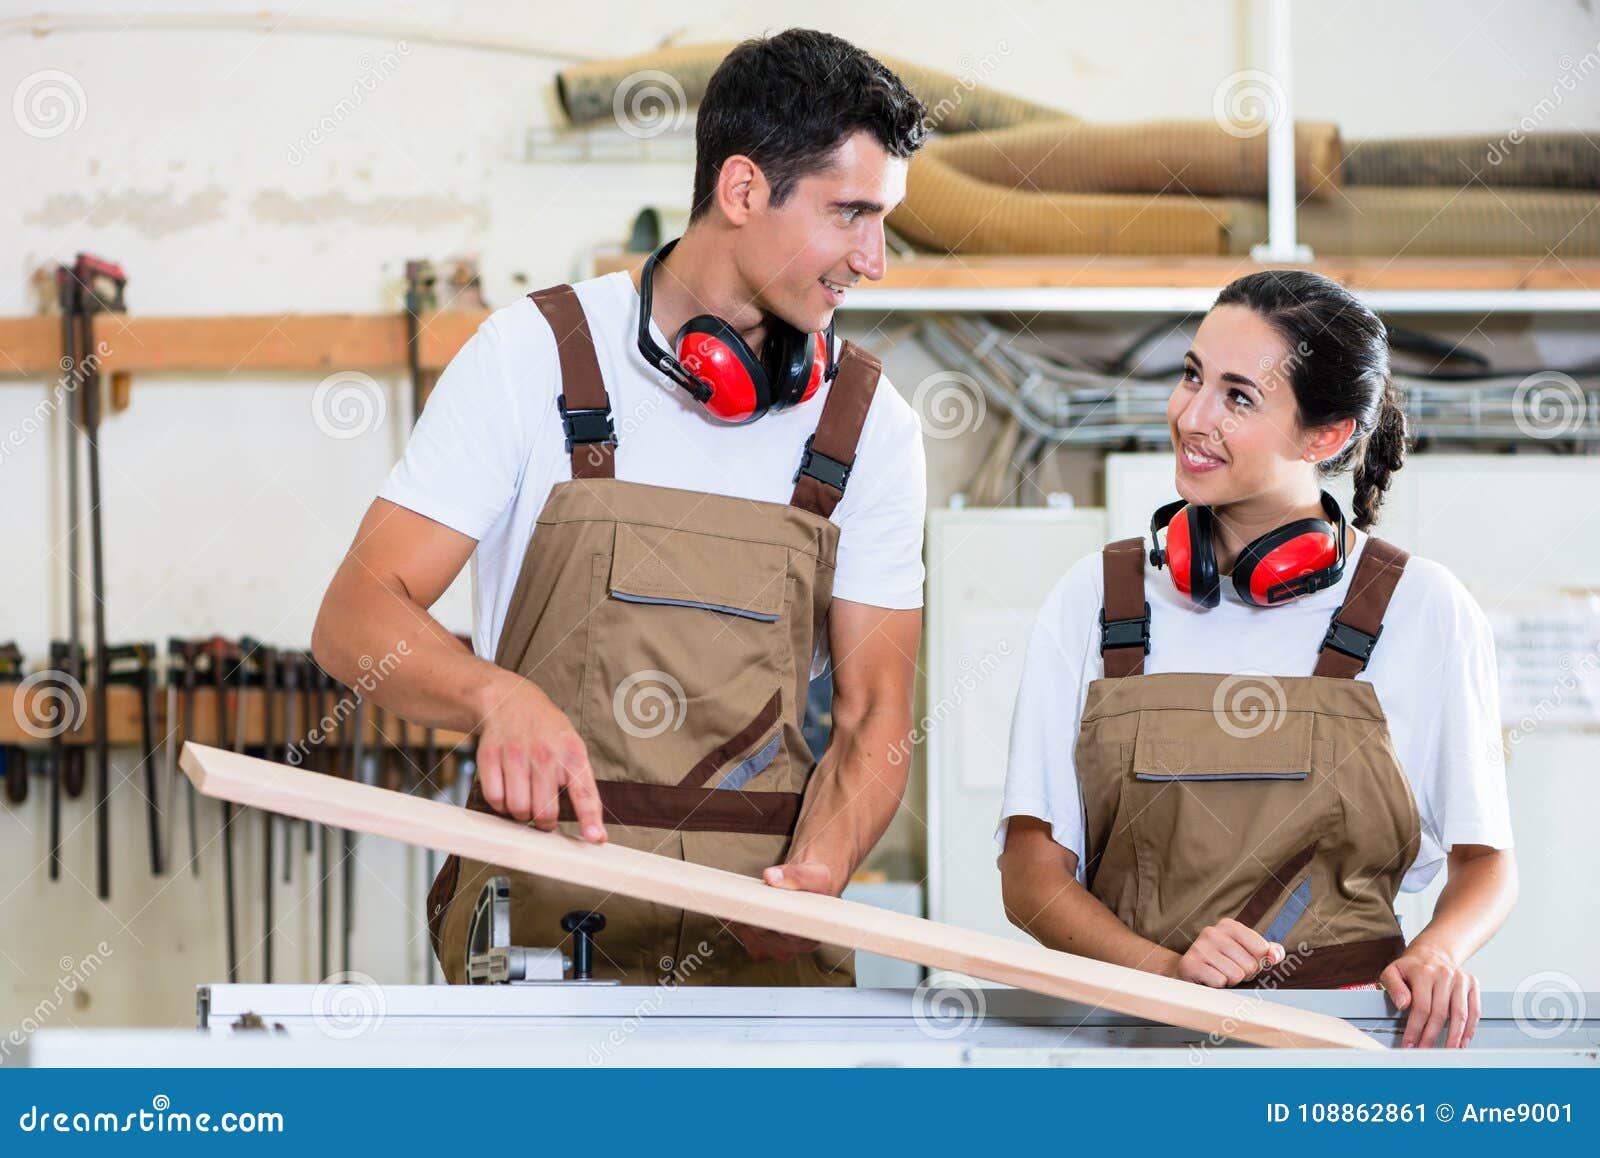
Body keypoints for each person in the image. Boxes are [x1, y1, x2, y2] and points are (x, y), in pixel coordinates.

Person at [312, 29, 929, 985]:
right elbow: (355, 617)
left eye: (883, 220)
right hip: (541, 935)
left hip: (755, 953)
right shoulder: (534, 356)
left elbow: (874, 714)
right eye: (851, 214)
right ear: (742, 190)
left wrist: (822, 864)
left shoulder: (869, 424)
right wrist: (495, 697)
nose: (874, 260)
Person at [997, 270, 1517, 1048]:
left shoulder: (1423, 608)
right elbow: (1030, 875)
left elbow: (1486, 862)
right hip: (1136, 1046)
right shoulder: (1098, 599)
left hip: (1339, 1051)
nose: (1192, 416)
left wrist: (1438, 951)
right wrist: (1169, 977)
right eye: (1192, 376)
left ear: (1325, 437)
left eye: (1238, 397)